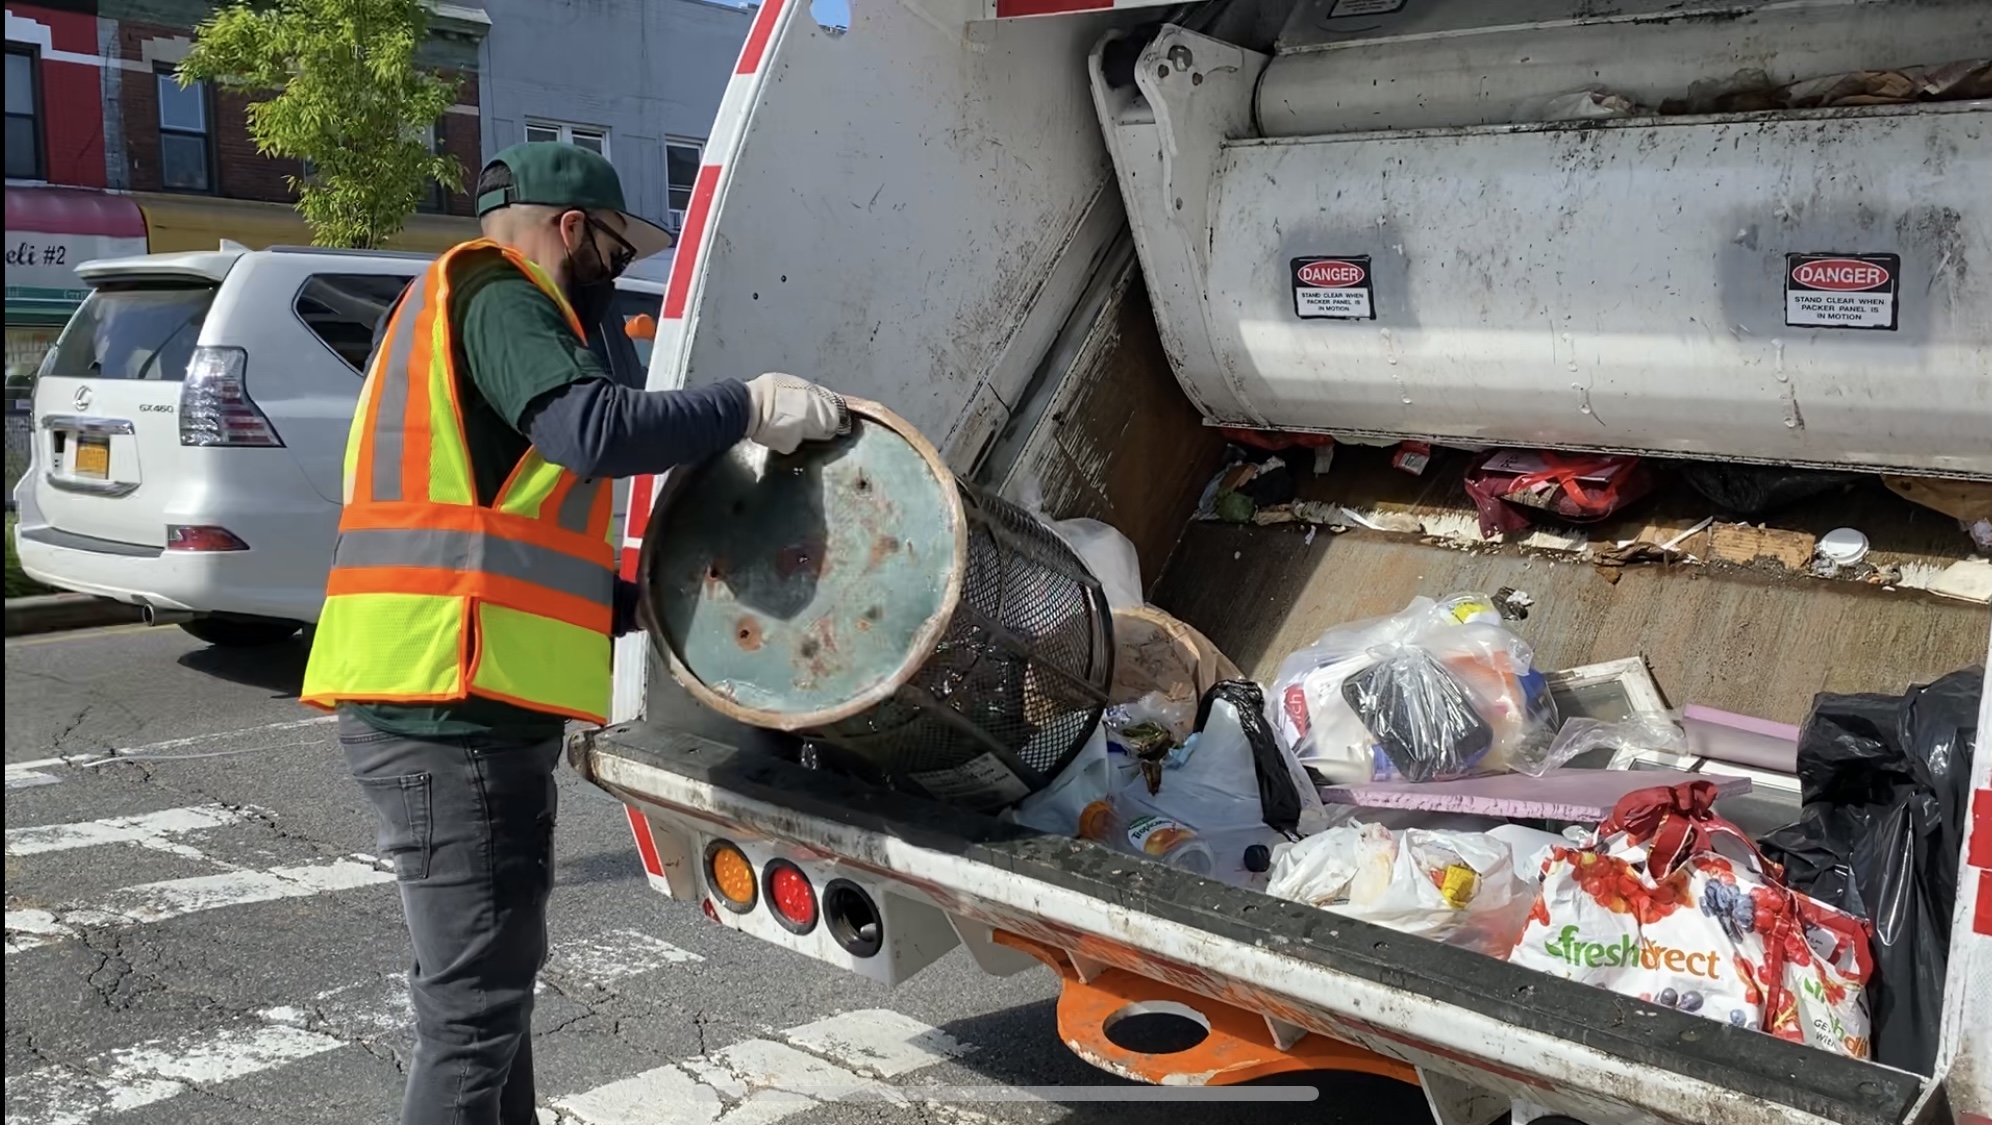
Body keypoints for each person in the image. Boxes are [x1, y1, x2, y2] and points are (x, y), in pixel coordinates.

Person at [298, 142, 847, 1125]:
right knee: (471, 1017)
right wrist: (747, 405)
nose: (617, 273)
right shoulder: (499, 295)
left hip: (445, 705)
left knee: (483, 1003)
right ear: (567, 229)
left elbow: (505, 551)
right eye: (614, 248)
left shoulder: (445, 316)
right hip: (449, 716)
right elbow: (592, 432)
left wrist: (658, 597)